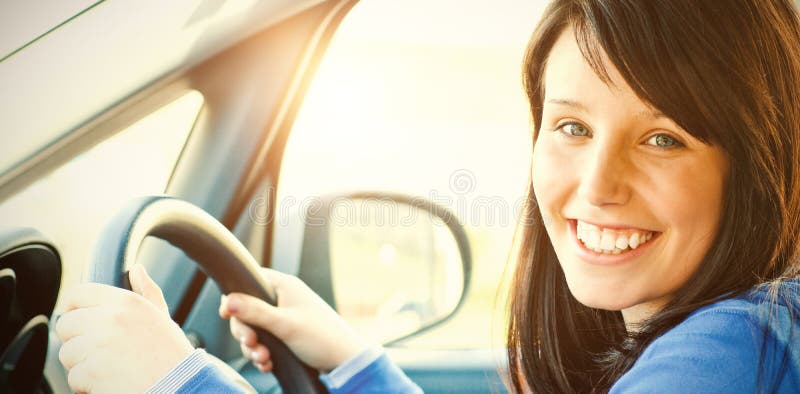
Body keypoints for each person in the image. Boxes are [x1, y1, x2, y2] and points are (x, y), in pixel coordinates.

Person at [55, 0, 800, 392]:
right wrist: (356, 365)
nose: (597, 186)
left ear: (760, 160)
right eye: (571, 126)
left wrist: (175, 382)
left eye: (662, 138)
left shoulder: (735, 352)